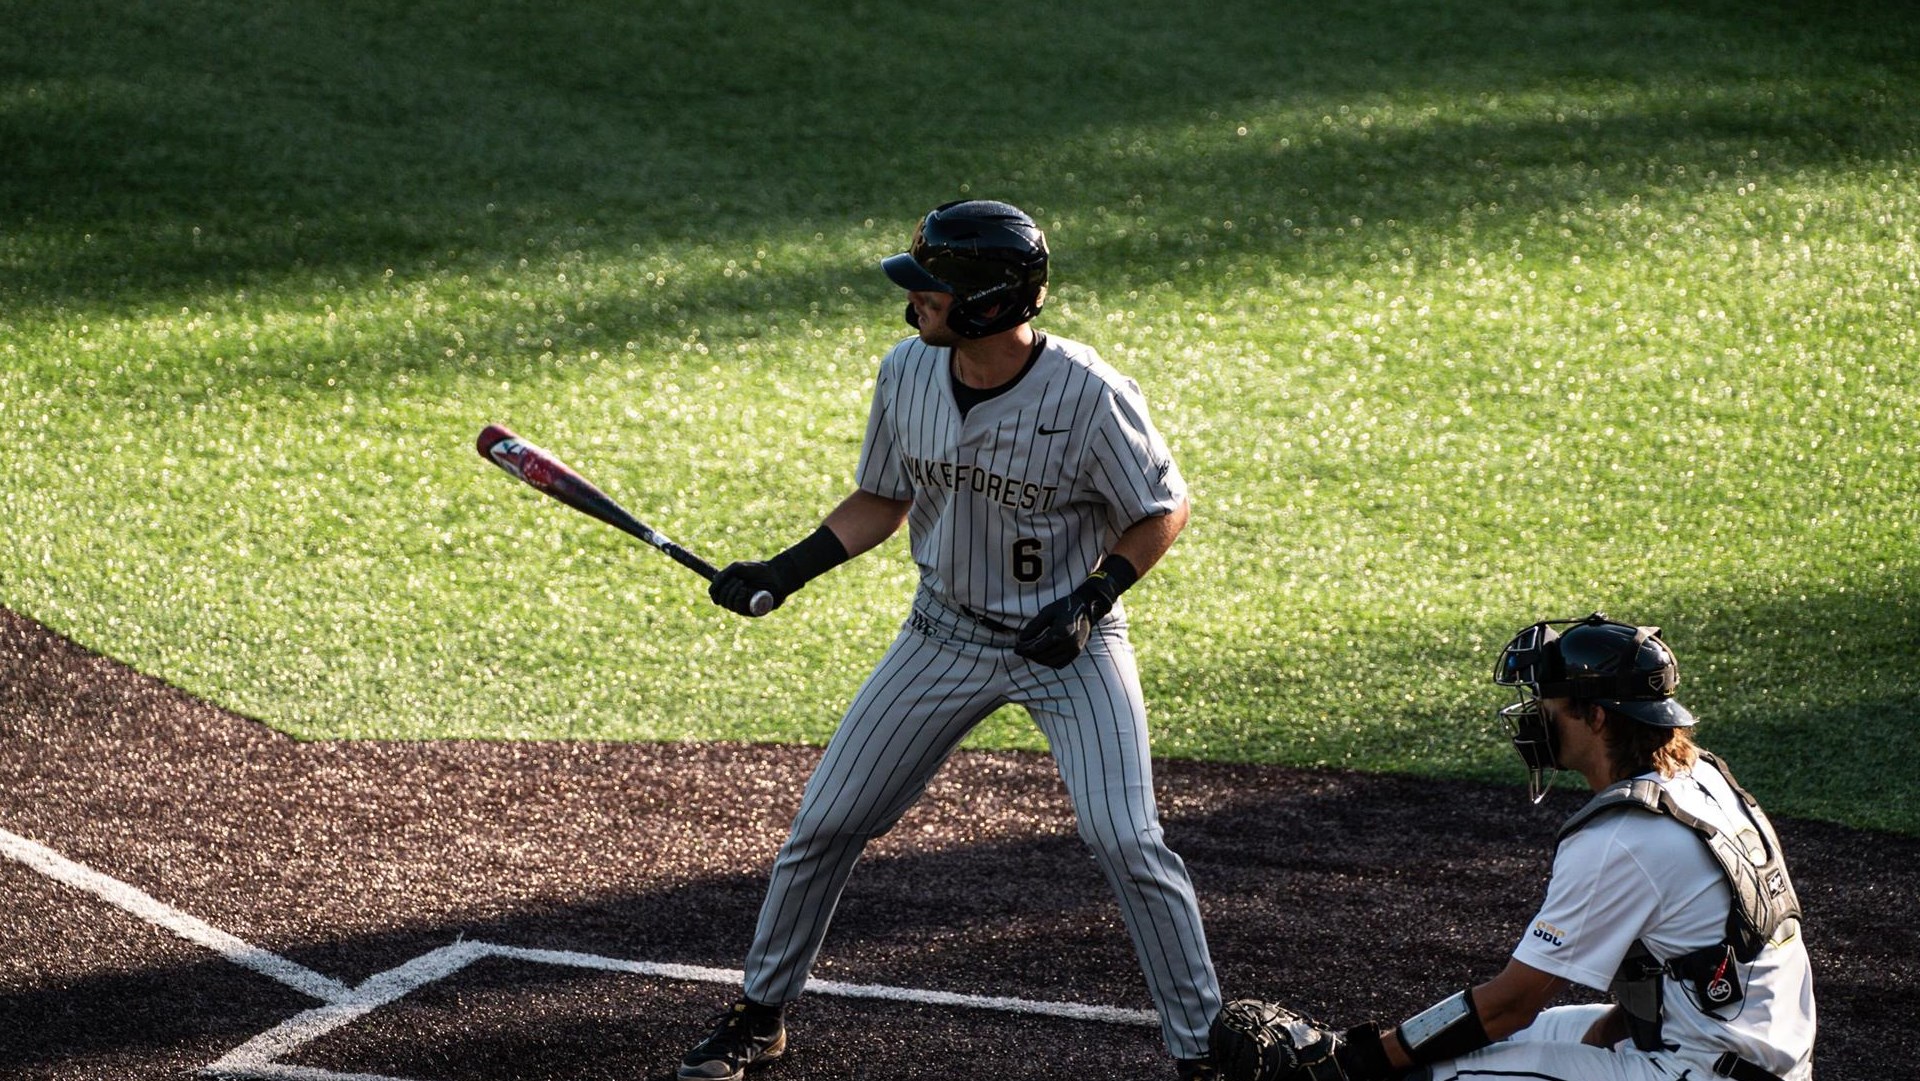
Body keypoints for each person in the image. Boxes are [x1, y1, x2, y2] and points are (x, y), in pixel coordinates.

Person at [678, 199, 1222, 1080]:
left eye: (932, 285)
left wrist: (1092, 596)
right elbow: (881, 501)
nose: (913, 298)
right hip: (942, 635)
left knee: (1127, 838)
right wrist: (787, 566)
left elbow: (1163, 509)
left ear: (988, 302)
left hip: (1070, 647)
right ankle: (760, 1013)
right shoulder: (905, 373)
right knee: (826, 822)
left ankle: (1201, 1048)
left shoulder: (1089, 394)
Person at [1211, 613, 1816, 1081]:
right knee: (1508, 1044)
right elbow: (1681, 962)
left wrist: (1355, 1064)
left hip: (1698, 1068)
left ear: (1597, 718)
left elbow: (1510, 1004)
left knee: (1427, 1070)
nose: (1533, 719)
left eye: (1547, 704)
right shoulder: (1703, 779)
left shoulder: (1623, 838)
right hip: (1749, 1053)